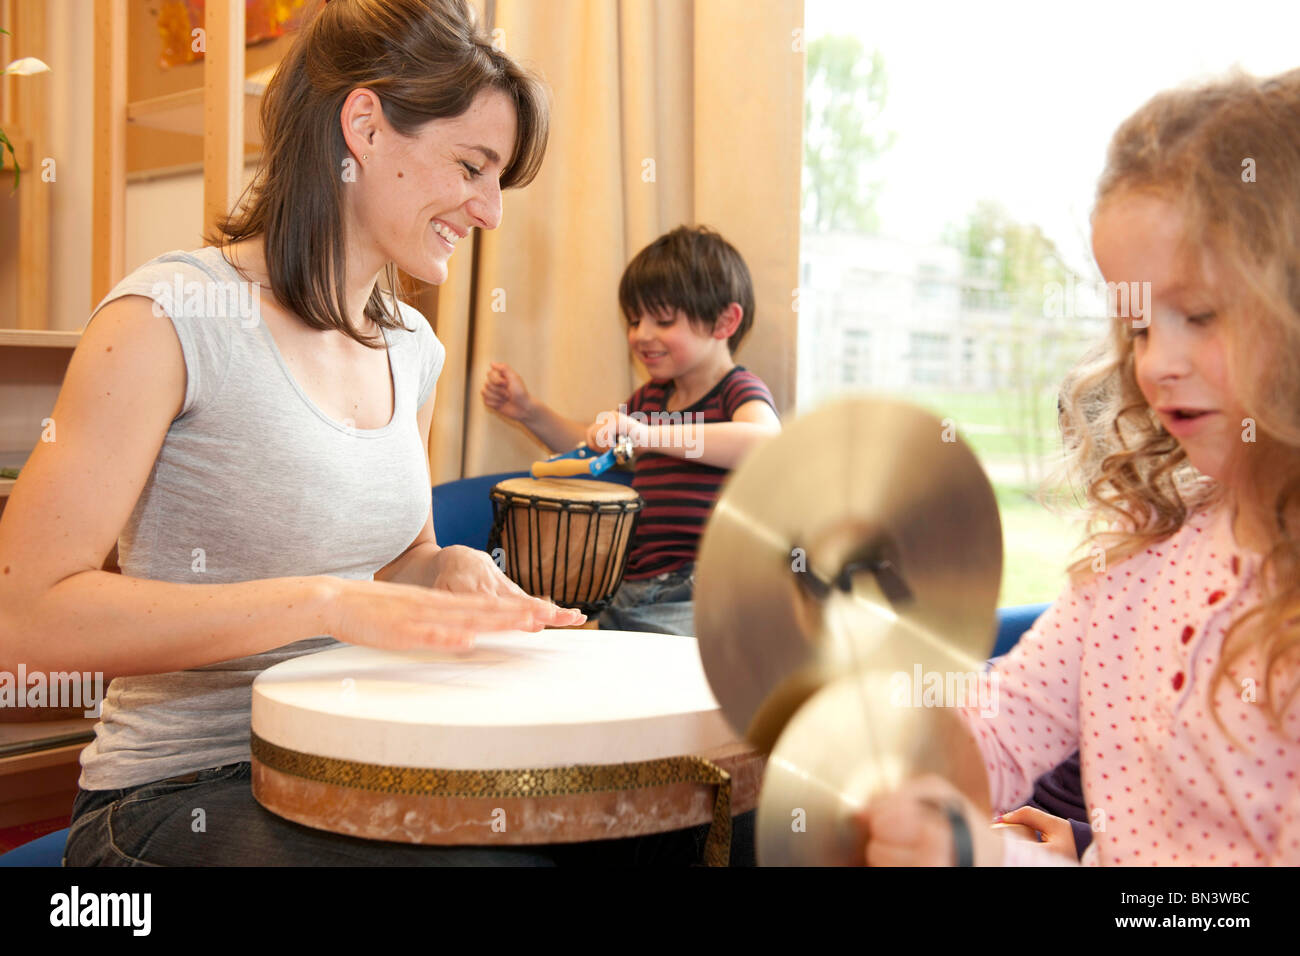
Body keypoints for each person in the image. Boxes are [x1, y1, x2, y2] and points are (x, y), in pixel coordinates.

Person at [0, 0, 734, 866]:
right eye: (471, 166)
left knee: (662, 828)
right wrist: (324, 600)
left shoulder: (413, 348)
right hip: (183, 789)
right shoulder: (167, 317)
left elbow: (400, 559)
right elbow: (25, 621)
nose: (490, 210)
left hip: (370, 760)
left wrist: (450, 571)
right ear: (365, 125)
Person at [861, 68, 1300, 866]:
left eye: (1197, 316)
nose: (1156, 363)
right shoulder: (1141, 557)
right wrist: (918, 791)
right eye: (1135, 327)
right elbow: (1003, 720)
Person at [481, 225, 782, 635]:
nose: (641, 334)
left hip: (705, 591)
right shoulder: (652, 398)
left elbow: (764, 442)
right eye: (635, 320)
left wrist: (647, 434)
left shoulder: (737, 390)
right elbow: (590, 444)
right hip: (633, 588)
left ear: (724, 321)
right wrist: (529, 411)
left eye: (662, 319)